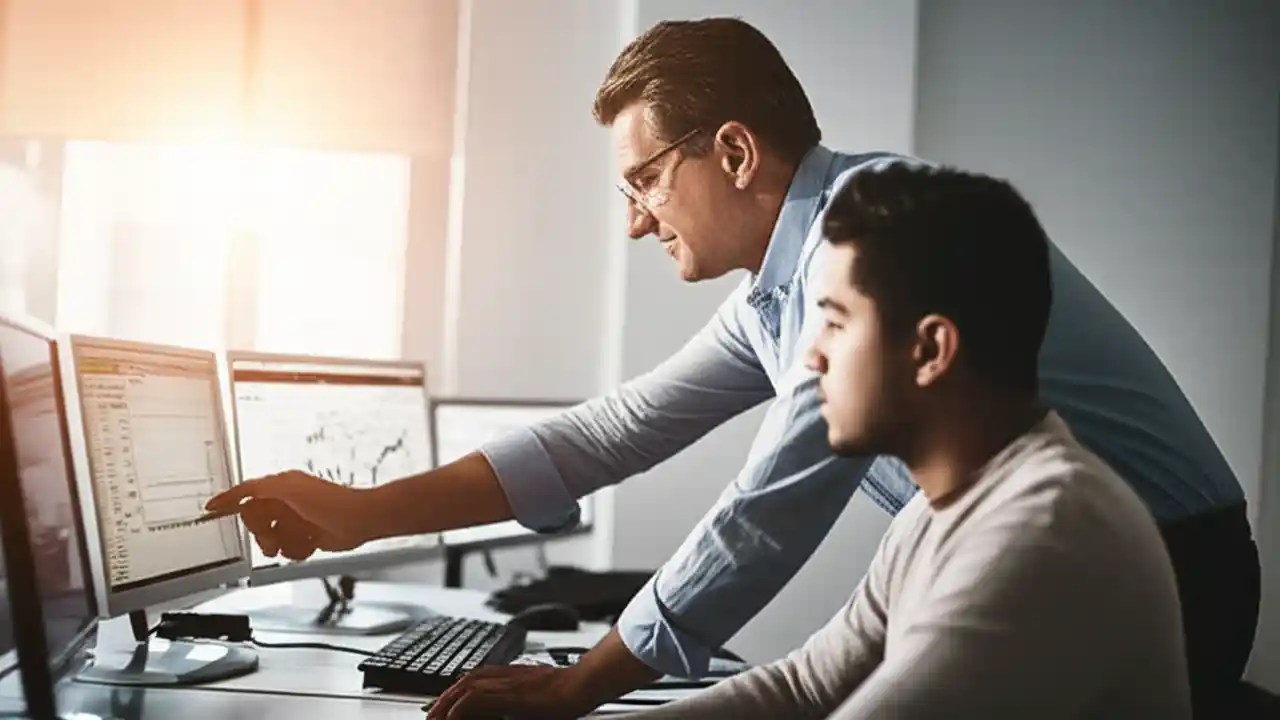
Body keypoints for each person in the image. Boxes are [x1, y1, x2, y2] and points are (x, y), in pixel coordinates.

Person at [207, 17, 1258, 719]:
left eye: (645, 182)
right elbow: (604, 433)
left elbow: (762, 514)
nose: (632, 223)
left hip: (1162, 564)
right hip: (1025, 546)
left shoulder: (866, 241)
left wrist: (580, 690)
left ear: (736, 155)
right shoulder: (782, 290)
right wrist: (361, 512)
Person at [599, 159, 1190, 720]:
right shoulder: (940, 508)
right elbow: (801, 688)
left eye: (834, 322)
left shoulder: (1044, 531)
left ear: (930, 349)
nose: (811, 354)